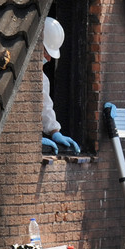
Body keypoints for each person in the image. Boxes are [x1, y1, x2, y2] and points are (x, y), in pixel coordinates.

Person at [39, 17, 80, 155]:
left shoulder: (42, 79)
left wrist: (54, 131)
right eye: (46, 52)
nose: (49, 59)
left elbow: (44, 107)